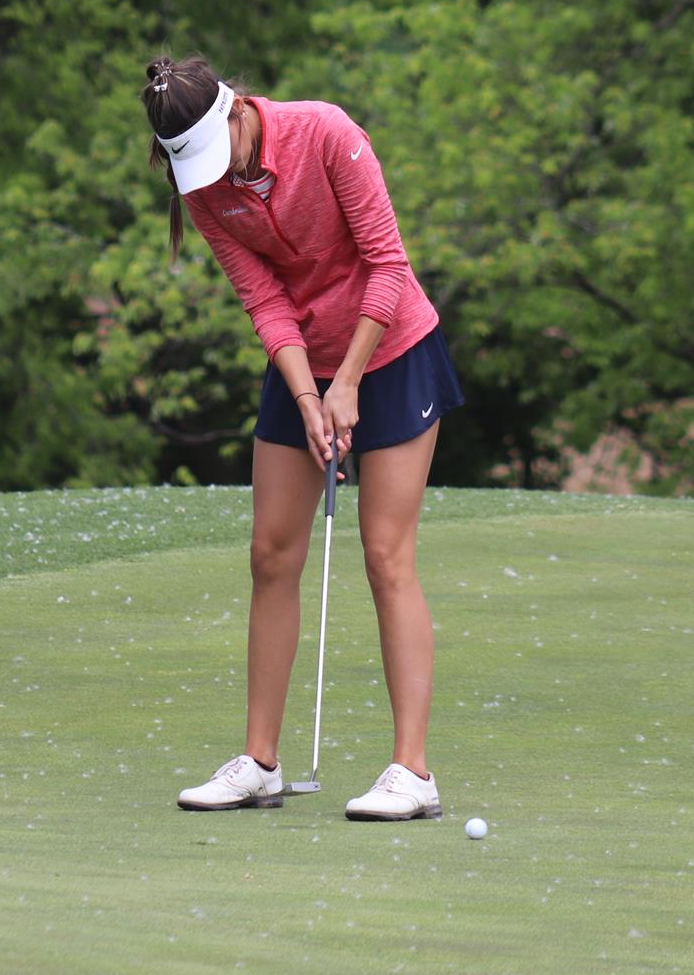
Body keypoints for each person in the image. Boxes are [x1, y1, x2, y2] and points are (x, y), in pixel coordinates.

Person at [141, 55, 462, 822]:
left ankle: (412, 772)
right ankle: (259, 762)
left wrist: (346, 383)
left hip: (393, 350)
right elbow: (264, 297)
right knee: (271, 552)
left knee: (385, 553)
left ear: (235, 111)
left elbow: (388, 266)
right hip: (302, 363)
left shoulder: (325, 132)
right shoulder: (208, 190)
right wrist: (306, 393)